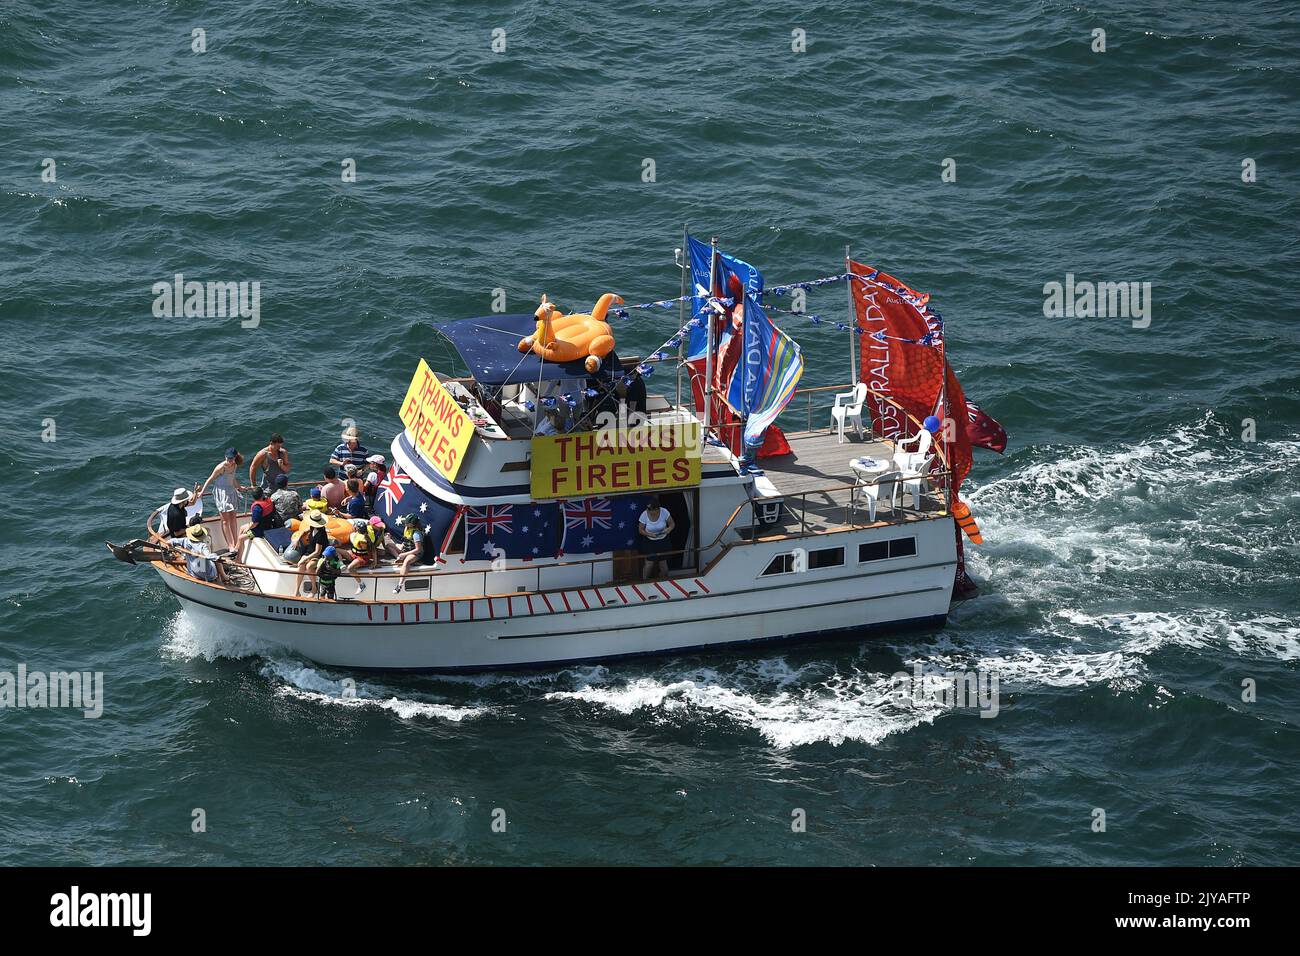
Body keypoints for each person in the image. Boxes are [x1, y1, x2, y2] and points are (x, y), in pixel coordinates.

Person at [200, 447, 244, 553]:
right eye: (228, 458)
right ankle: (230, 545)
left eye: (231, 459)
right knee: (225, 520)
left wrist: (239, 487)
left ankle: (235, 541)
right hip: (222, 493)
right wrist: (201, 492)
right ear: (225, 457)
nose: (229, 461)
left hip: (231, 491)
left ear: (235, 458)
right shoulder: (221, 467)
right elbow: (210, 479)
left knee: (233, 517)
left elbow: (233, 478)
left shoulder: (235, 465)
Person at [285, 509, 331, 596]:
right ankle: (297, 590)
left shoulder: (321, 534)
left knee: (309, 566)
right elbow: (305, 531)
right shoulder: (312, 527)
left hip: (319, 555)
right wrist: (298, 538)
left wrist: (306, 558)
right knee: (301, 565)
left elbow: (317, 552)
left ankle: (314, 588)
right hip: (310, 552)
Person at [390, 513, 433, 593]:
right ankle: (399, 558)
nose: (405, 523)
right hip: (406, 549)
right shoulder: (407, 528)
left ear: (412, 524)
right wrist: (402, 547)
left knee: (406, 562)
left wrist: (404, 555)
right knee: (389, 546)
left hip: (415, 553)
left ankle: (399, 585)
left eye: (406, 522)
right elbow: (406, 539)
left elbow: (418, 549)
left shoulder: (416, 534)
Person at [637, 495, 675, 579]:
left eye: (651, 509)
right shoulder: (644, 514)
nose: (649, 511)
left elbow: (672, 524)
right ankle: (644, 582)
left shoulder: (664, 512)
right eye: (648, 509)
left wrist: (668, 529)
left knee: (663, 565)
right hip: (649, 541)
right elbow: (640, 530)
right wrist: (649, 534)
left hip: (663, 540)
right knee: (649, 564)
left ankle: (663, 581)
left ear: (657, 509)